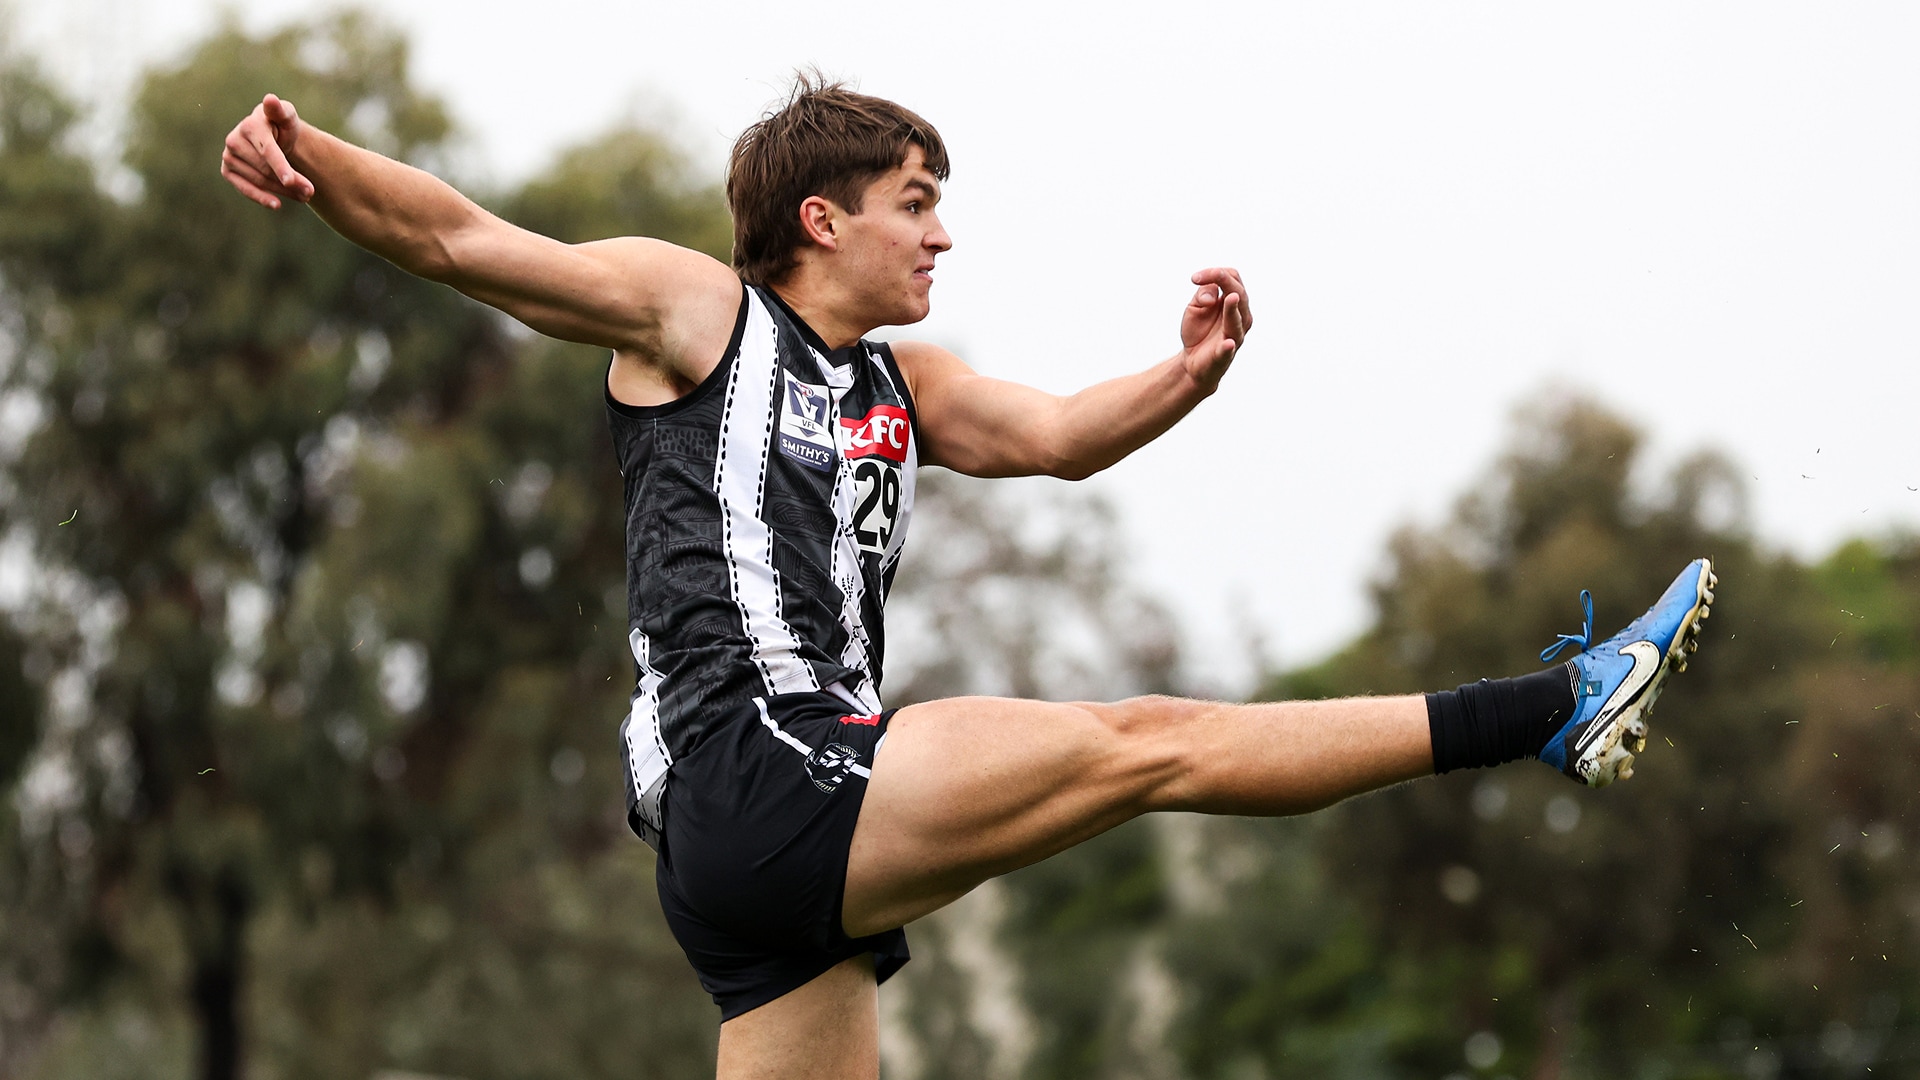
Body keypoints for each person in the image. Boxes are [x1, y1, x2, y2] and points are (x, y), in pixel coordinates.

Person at [219, 78, 1716, 1079]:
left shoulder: (903, 384)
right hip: (765, 774)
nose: (943, 229)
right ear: (826, 219)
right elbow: (461, 237)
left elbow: (1060, 439)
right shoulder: (697, 314)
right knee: (1149, 743)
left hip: (751, 874)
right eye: (916, 199)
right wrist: (310, 153)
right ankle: (1553, 708)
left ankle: (1559, 712)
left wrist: (1186, 375)